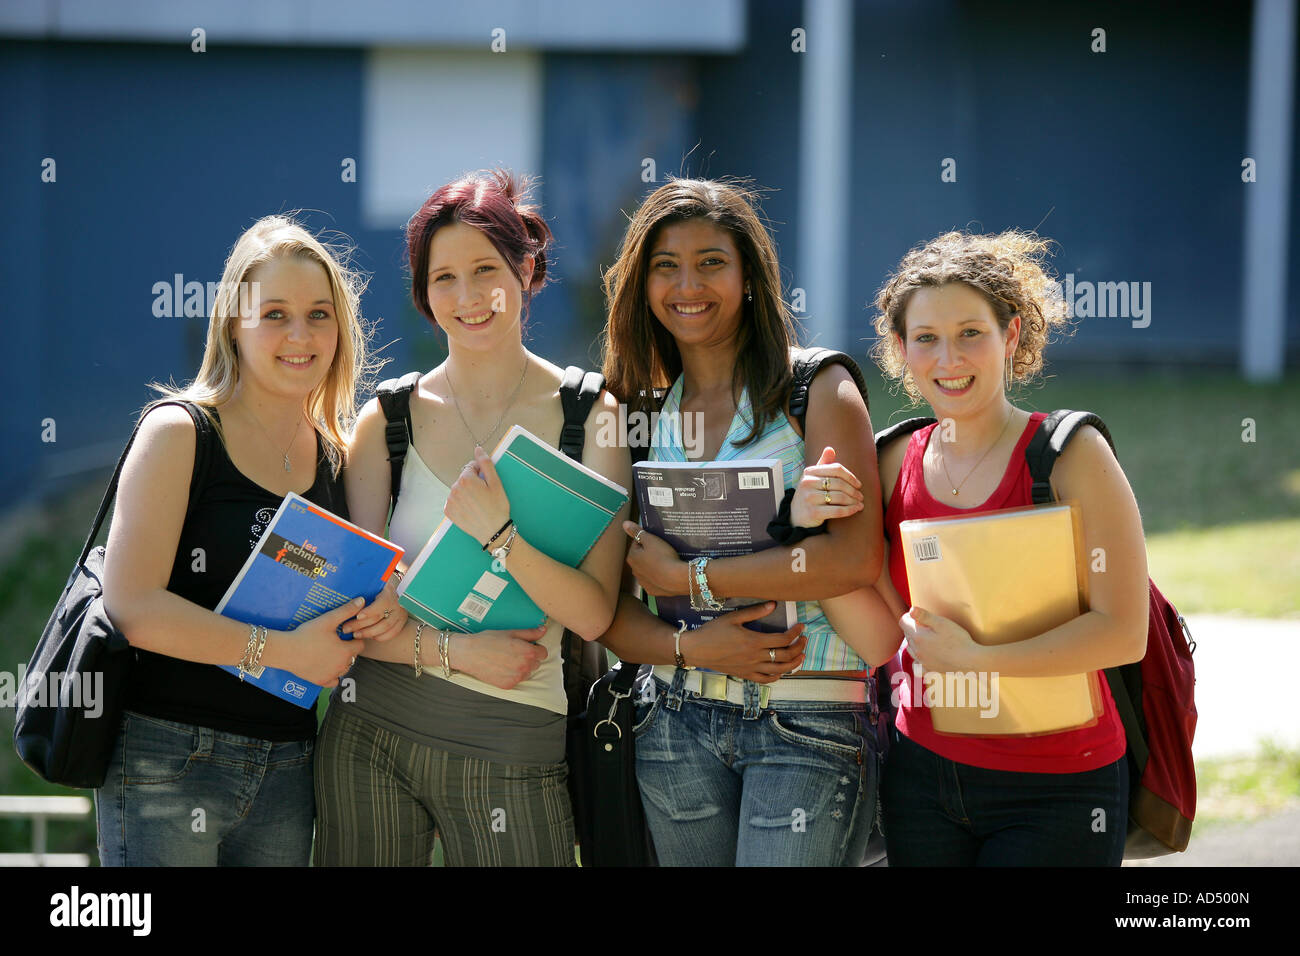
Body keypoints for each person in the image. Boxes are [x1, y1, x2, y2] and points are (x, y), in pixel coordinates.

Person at [791, 230, 1148, 866]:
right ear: (900, 350)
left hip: (1061, 784)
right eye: (925, 338)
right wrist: (811, 528)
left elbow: (1123, 633)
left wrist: (979, 658)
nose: (948, 357)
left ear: (1011, 337)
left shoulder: (1071, 455)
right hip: (922, 779)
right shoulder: (890, 459)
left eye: (971, 333)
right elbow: (881, 639)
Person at [312, 169, 632, 867]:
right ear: (425, 296)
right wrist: (453, 652)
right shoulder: (385, 421)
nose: (467, 297)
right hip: (370, 729)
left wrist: (502, 537)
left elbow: (596, 616)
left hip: (513, 729)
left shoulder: (592, 418)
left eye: (485, 269)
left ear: (526, 269)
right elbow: (352, 613)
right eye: (443, 278)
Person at [595, 177, 899, 867]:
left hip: (807, 716)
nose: (687, 284)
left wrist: (693, 580)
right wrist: (692, 648)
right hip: (673, 720)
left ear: (751, 278)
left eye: (710, 263)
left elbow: (853, 562)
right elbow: (607, 600)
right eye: (665, 266)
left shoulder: (816, 388)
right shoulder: (637, 412)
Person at [99, 215, 403, 866]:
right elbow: (132, 605)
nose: (301, 335)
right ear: (233, 324)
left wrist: (374, 611)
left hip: (290, 763)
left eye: (320, 314)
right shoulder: (179, 433)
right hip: (168, 756)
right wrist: (281, 650)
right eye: (275, 314)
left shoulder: (336, 459)